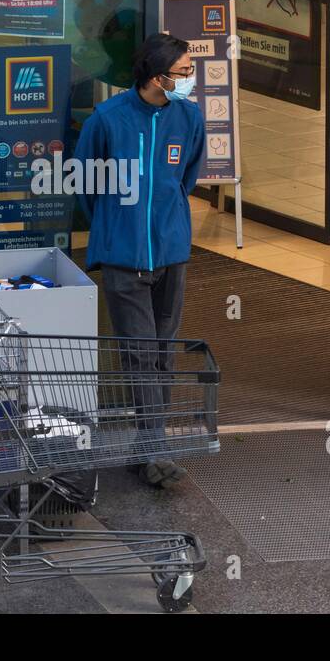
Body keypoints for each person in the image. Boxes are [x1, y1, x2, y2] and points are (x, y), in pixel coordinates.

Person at [75, 32, 205, 489]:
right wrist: (117, 227)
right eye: (185, 73)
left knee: (162, 353)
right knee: (140, 352)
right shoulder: (108, 119)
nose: (192, 80)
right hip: (123, 257)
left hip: (171, 252)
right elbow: (87, 183)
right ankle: (155, 448)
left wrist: (165, 220)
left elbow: (185, 177)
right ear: (157, 78)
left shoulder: (188, 117)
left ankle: (148, 446)